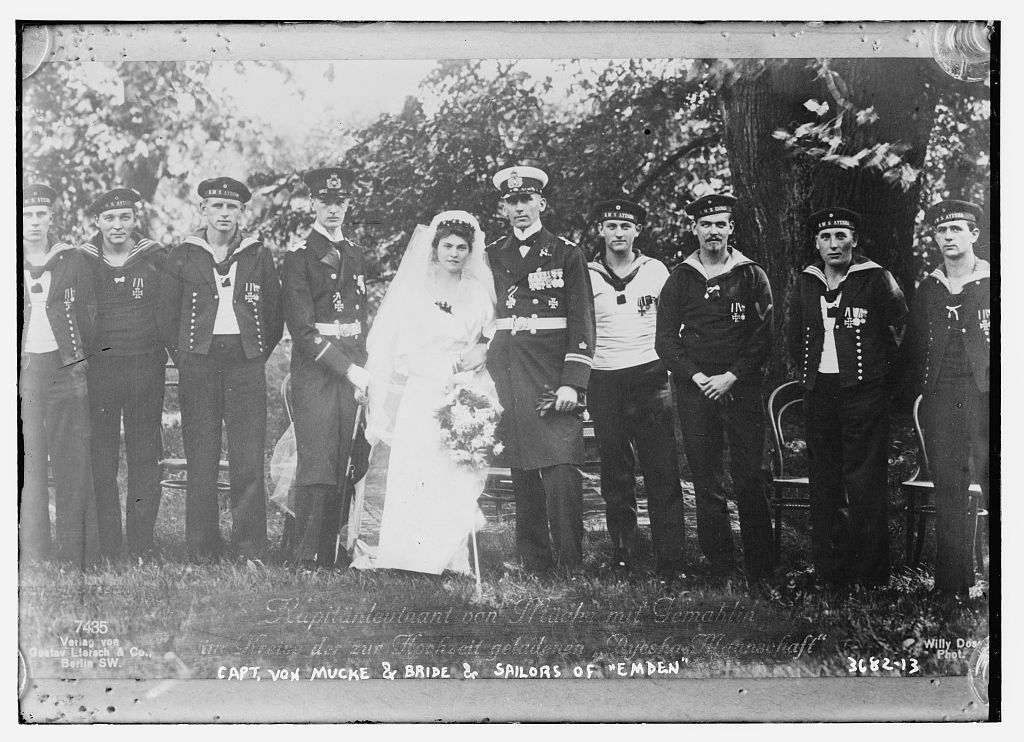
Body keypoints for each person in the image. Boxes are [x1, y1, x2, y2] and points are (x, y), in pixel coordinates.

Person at [350, 211, 496, 574]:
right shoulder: (415, 290)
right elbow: (401, 356)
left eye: (462, 247)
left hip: (463, 391)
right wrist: (445, 367)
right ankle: (408, 553)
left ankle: (450, 554)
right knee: (417, 468)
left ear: (470, 251)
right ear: (435, 247)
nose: (454, 253)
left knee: (453, 470)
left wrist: (479, 357)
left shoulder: (478, 291)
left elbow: (490, 337)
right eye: (447, 245)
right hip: (422, 390)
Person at [159, 177, 283, 562]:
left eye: (232, 208)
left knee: (248, 456)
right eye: (217, 206)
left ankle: (250, 547)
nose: (224, 214)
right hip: (199, 362)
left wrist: (255, 354)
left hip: (244, 363)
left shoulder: (257, 254)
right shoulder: (183, 254)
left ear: (241, 212)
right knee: (202, 454)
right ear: (204, 210)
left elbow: (274, 315)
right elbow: (167, 316)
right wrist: (188, 358)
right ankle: (201, 546)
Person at [655, 193, 774, 581]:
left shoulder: (751, 274)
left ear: (731, 229)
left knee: (751, 475)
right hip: (697, 391)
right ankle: (719, 563)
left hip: (740, 388)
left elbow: (764, 334)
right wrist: (696, 376)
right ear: (694, 229)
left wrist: (732, 376)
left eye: (720, 224)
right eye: (706, 224)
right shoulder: (679, 278)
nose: (713, 231)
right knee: (706, 478)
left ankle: (760, 565)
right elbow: (665, 340)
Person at [787, 207, 907, 588]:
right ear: (816, 244)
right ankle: (830, 571)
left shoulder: (875, 278)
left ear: (854, 239)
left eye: (841, 236)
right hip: (819, 392)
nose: (833, 244)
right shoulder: (806, 281)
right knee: (824, 479)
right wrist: (808, 378)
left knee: (865, 480)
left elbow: (902, 333)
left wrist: (880, 381)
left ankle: (870, 575)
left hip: (864, 393)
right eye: (825, 237)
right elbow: (793, 334)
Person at [485, 164, 596, 573]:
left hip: (553, 374)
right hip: (511, 373)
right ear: (503, 207)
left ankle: (571, 562)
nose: (519, 208)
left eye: (526, 199)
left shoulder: (567, 253)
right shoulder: (492, 254)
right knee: (523, 466)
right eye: (512, 201)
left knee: (562, 466)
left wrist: (573, 383)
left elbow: (583, 323)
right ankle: (534, 561)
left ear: (541, 203)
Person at [586, 198, 686, 581]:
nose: (618, 234)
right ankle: (624, 552)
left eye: (626, 227)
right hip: (605, 377)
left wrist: (666, 363)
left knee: (661, 468)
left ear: (637, 232)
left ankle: (671, 560)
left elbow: (674, 321)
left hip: (649, 375)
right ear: (602, 231)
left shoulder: (656, 270)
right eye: (612, 226)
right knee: (616, 472)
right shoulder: (588, 272)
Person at [281, 167, 369, 573]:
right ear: (313, 203)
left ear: (348, 204)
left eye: (341, 202)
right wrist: (347, 368)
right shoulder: (299, 256)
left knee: (346, 454)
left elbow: (361, 320)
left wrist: (364, 368)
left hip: (353, 363)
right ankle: (306, 553)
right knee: (317, 456)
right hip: (317, 369)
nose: (333, 209)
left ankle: (335, 548)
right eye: (326, 202)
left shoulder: (355, 252)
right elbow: (302, 329)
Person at [80, 188, 168, 560]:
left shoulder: (155, 258)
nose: (117, 225)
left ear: (135, 220)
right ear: (97, 222)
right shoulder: (81, 260)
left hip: (144, 367)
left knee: (144, 455)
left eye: (124, 217)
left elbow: (170, 313)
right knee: (101, 456)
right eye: (109, 218)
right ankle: (108, 544)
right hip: (99, 371)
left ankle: (141, 543)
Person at [909, 199, 989, 597]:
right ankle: (951, 585)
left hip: (990, 398)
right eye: (942, 231)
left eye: (956, 229)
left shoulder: (999, 283)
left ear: (974, 234)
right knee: (949, 488)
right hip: (942, 398)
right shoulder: (929, 289)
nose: (948, 237)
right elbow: (913, 347)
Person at [20, 183, 100, 567]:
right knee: (28, 460)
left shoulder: (70, 259)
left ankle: (74, 550)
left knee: (71, 459)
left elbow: (88, 313)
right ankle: (33, 550)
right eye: (26, 214)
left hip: (64, 367)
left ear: (51, 217)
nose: (33, 222)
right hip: (24, 372)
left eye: (40, 214)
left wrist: (78, 357)